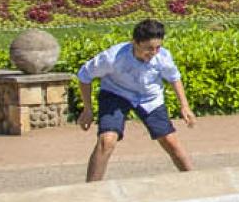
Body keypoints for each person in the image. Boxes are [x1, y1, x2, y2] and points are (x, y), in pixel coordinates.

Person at [76, 18, 195, 183]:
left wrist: (185, 106)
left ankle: (195, 181)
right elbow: (84, 76)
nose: (153, 53)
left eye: (157, 48)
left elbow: (174, 78)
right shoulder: (112, 57)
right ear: (135, 42)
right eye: (148, 49)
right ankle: (90, 190)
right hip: (116, 93)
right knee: (107, 140)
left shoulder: (163, 57)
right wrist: (87, 109)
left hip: (149, 97)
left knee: (170, 141)